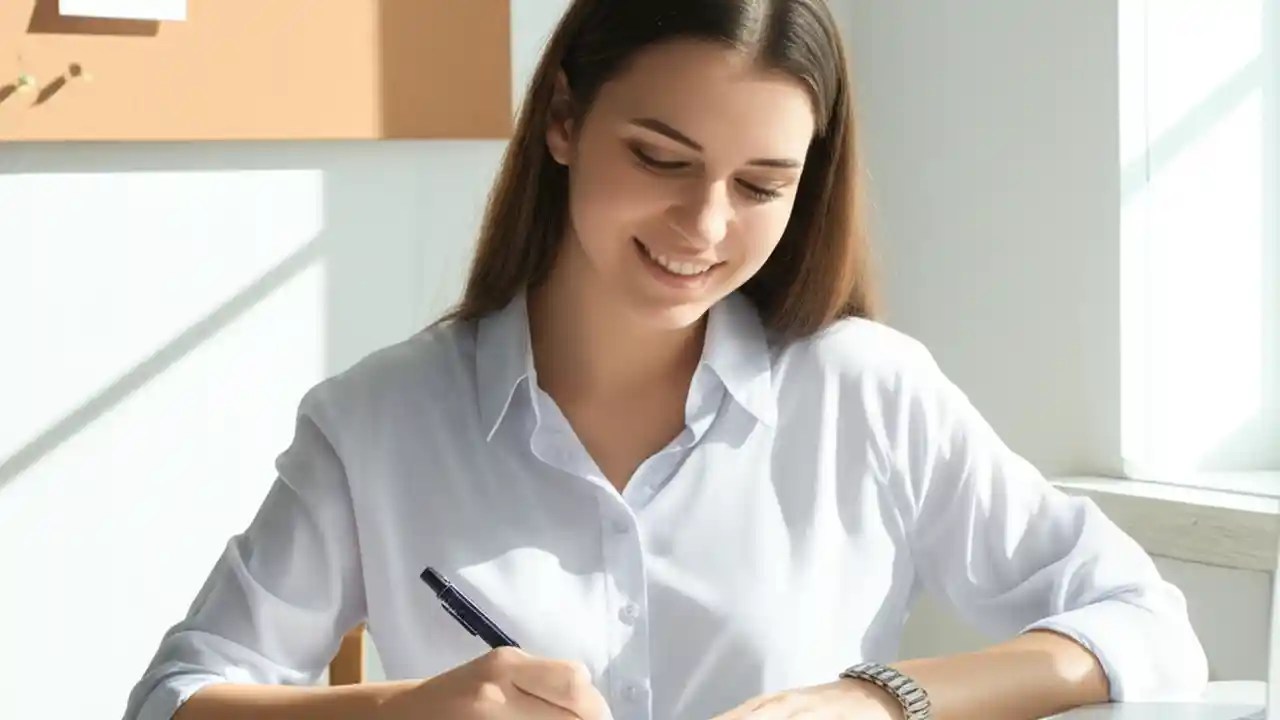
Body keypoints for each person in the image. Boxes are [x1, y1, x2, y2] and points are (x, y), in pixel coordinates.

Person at [123, 1, 1208, 718]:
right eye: (659, 158)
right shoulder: (377, 421)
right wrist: (400, 709)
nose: (702, 223)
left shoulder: (864, 392)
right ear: (561, 120)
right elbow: (175, 697)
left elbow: (1141, 624)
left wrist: (877, 700)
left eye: (759, 185)